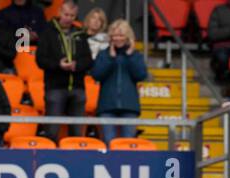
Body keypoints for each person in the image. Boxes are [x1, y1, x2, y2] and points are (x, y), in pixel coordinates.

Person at [37, 2, 92, 141]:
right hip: (55, 87)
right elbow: (40, 59)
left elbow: (88, 59)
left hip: (78, 87)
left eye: (72, 15)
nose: (68, 18)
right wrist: (58, 65)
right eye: (66, 14)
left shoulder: (80, 33)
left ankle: (76, 160)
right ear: (60, 12)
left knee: (77, 133)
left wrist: (77, 65)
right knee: (51, 131)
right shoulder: (47, 32)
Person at [91, 19, 147, 139]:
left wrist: (130, 56)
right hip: (107, 106)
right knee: (108, 142)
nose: (117, 38)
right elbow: (96, 75)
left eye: (121, 35)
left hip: (129, 106)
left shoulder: (135, 55)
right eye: (115, 35)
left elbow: (141, 75)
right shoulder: (103, 54)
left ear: (128, 37)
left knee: (127, 145)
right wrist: (110, 59)